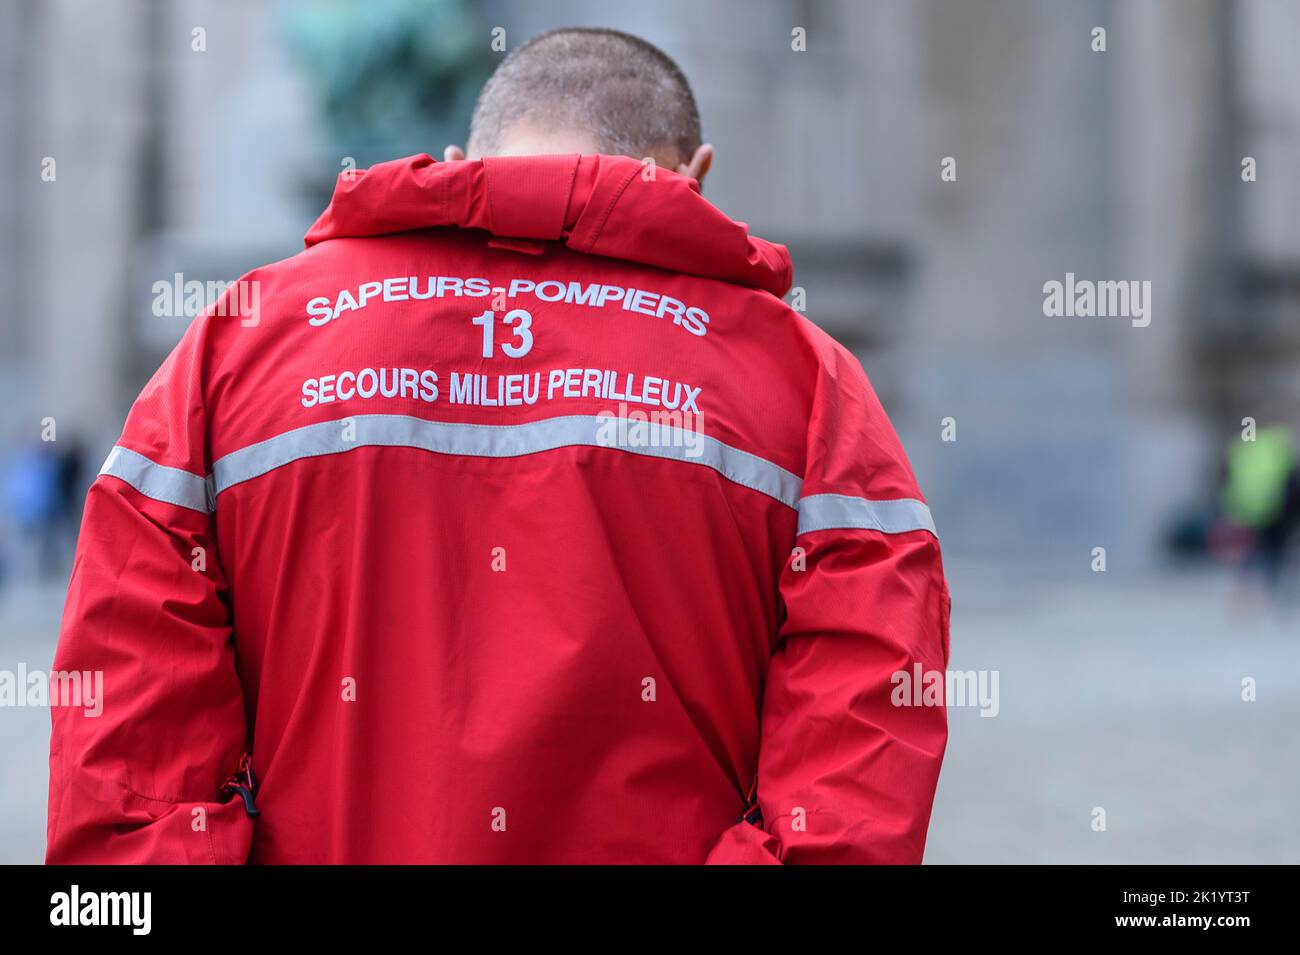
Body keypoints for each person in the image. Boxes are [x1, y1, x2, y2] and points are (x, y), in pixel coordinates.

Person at [46, 27, 949, 864]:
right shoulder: (804, 378)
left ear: (461, 165)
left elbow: (128, 741)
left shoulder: (236, 342)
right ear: (695, 175)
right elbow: (859, 751)